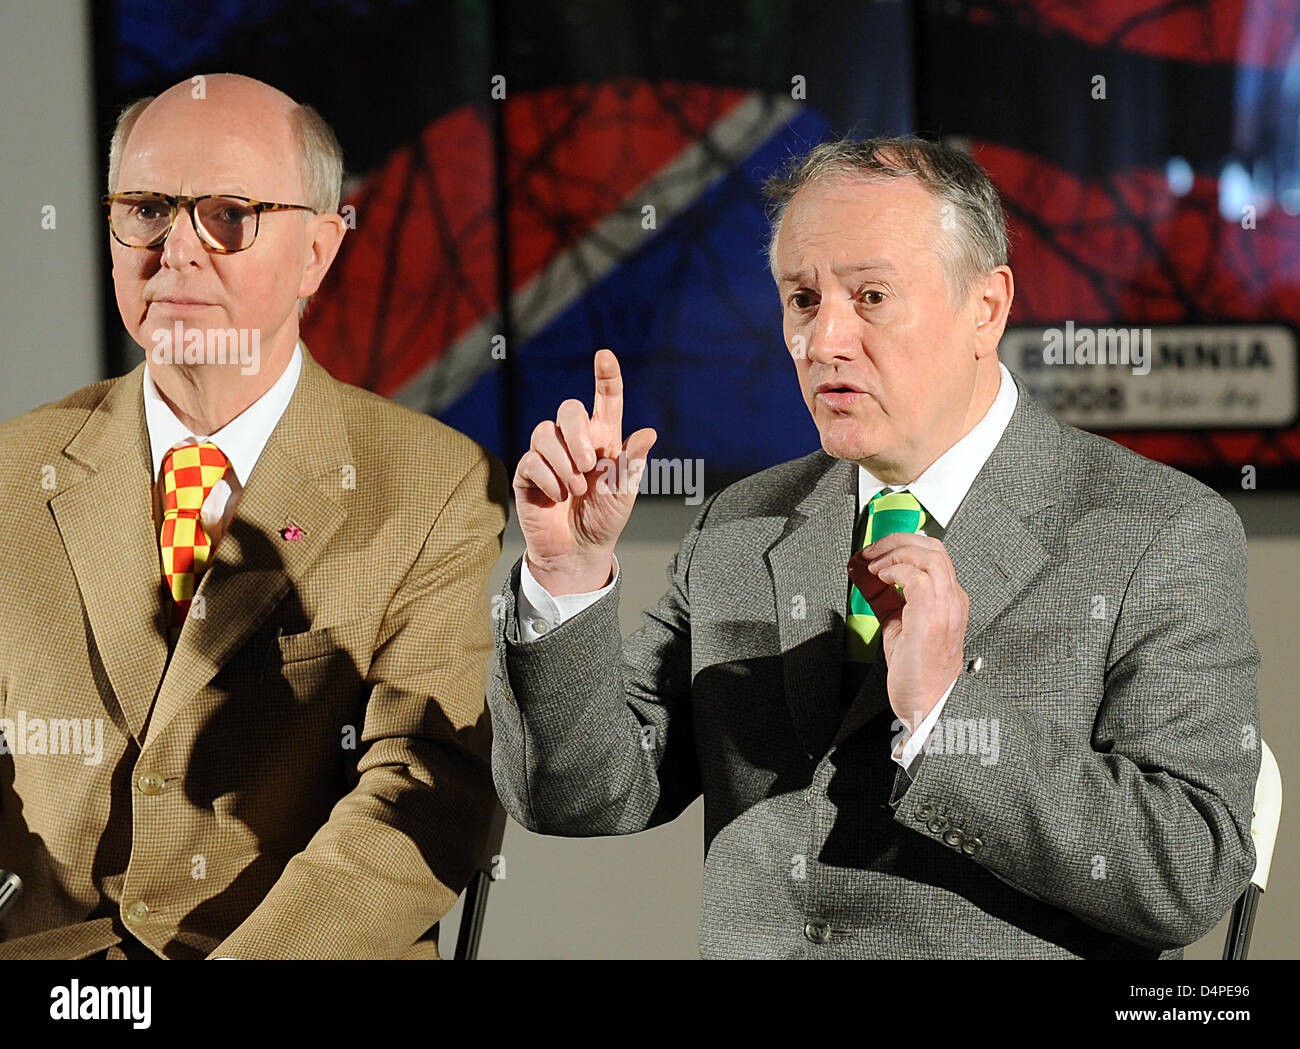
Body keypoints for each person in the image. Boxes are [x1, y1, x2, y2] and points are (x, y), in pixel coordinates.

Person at [486, 136, 1261, 959]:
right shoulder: (740, 526)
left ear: (986, 308)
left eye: (873, 296)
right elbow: (576, 795)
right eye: (802, 299)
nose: (824, 342)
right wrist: (565, 575)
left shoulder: (1156, 531)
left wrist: (945, 717)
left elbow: (1191, 870)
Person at [0, 73, 508, 959]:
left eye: (229, 214)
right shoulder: (14, 471)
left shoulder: (432, 483)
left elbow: (425, 786)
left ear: (318, 250)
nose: (179, 250)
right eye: (147, 208)